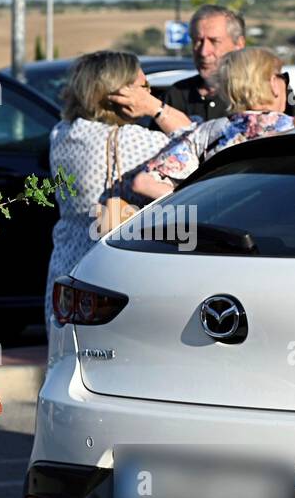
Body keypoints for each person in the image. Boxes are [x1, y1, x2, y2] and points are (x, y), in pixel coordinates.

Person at [45, 51, 193, 342]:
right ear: (119, 94)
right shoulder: (133, 141)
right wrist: (156, 108)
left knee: (65, 363)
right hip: (111, 274)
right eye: (143, 88)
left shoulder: (62, 133)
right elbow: (194, 141)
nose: (148, 93)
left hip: (65, 265)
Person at [133, 47, 295, 200]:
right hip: (292, 231)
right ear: (273, 84)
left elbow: (144, 182)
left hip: (224, 232)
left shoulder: (207, 133)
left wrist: (201, 204)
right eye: (283, 77)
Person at [160, 4, 295, 123]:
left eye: (214, 41)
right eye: (197, 41)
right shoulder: (176, 94)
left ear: (239, 44)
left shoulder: (267, 87)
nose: (204, 51)